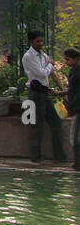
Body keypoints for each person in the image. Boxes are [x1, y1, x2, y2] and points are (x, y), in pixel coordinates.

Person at [22, 30, 65, 164]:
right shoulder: (28, 57)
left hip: (45, 92)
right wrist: (50, 65)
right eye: (37, 41)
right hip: (35, 93)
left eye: (42, 41)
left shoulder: (43, 56)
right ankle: (36, 157)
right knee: (37, 125)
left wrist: (63, 88)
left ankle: (59, 156)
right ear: (31, 41)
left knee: (56, 122)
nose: (40, 44)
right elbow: (41, 73)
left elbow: (51, 73)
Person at [61, 49, 80, 171]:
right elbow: (72, 90)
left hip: (78, 107)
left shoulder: (77, 73)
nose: (66, 62)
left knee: (74, 136)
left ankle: (77, 163)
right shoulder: (73, 72)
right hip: (76, 106)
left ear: (76, 59)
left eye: (68, 59)